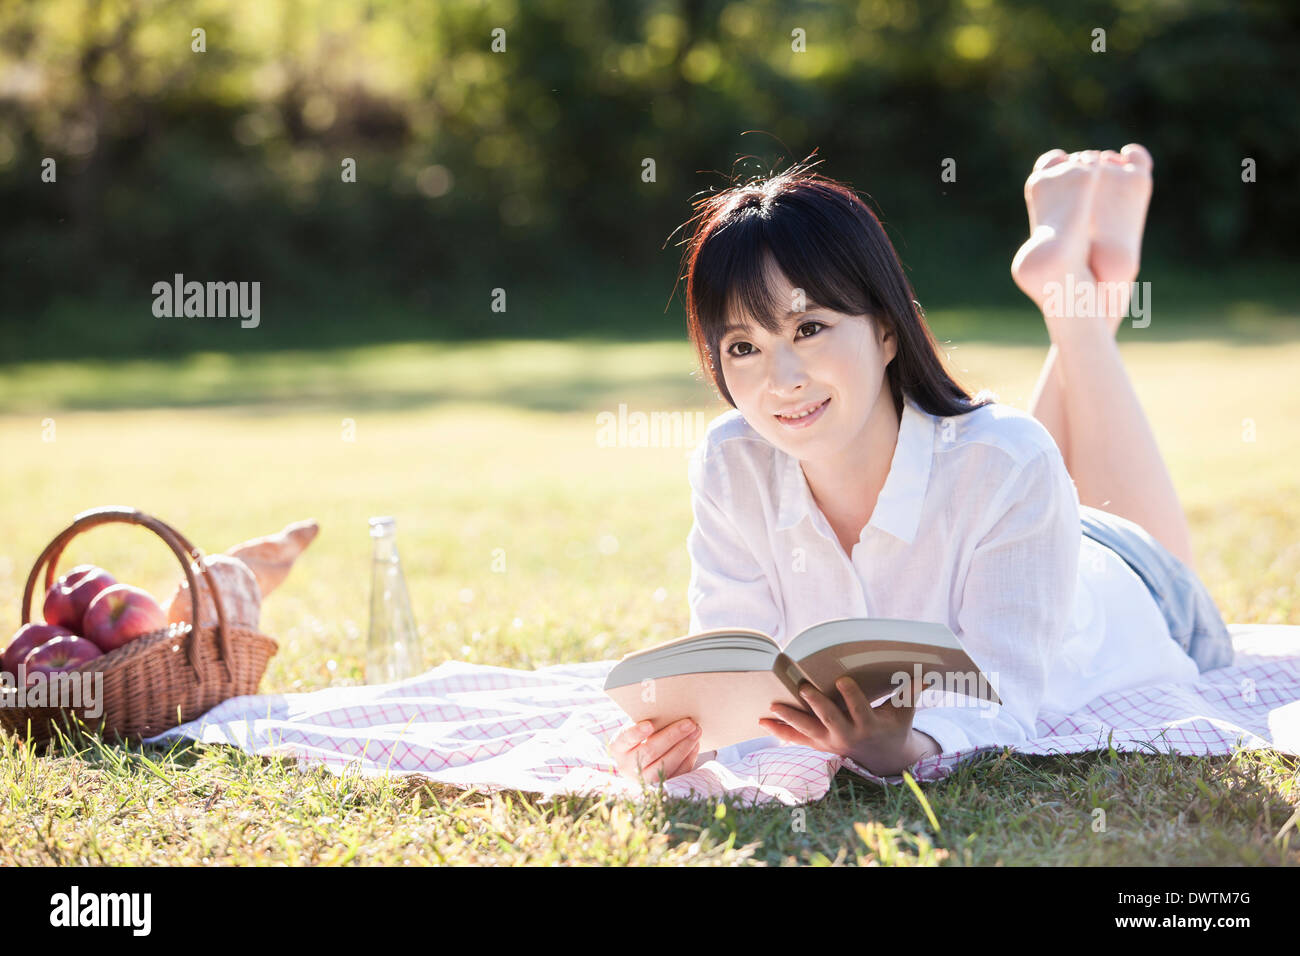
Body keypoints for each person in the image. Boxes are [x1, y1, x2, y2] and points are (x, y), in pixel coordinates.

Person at [608, 147, 1236, 785]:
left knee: (1013, 454)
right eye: (744, 346)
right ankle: (1079, 285)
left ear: (886, 331)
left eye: (809, 329)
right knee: (1007, 453)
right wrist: (686, 742)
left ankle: (1079, 302)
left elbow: (1004, 695)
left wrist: (905, 750)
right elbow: (731, 665)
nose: (782, 380)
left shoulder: (1008, 462)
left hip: (1136, 583)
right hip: (1019, 505)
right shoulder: (730, 462)